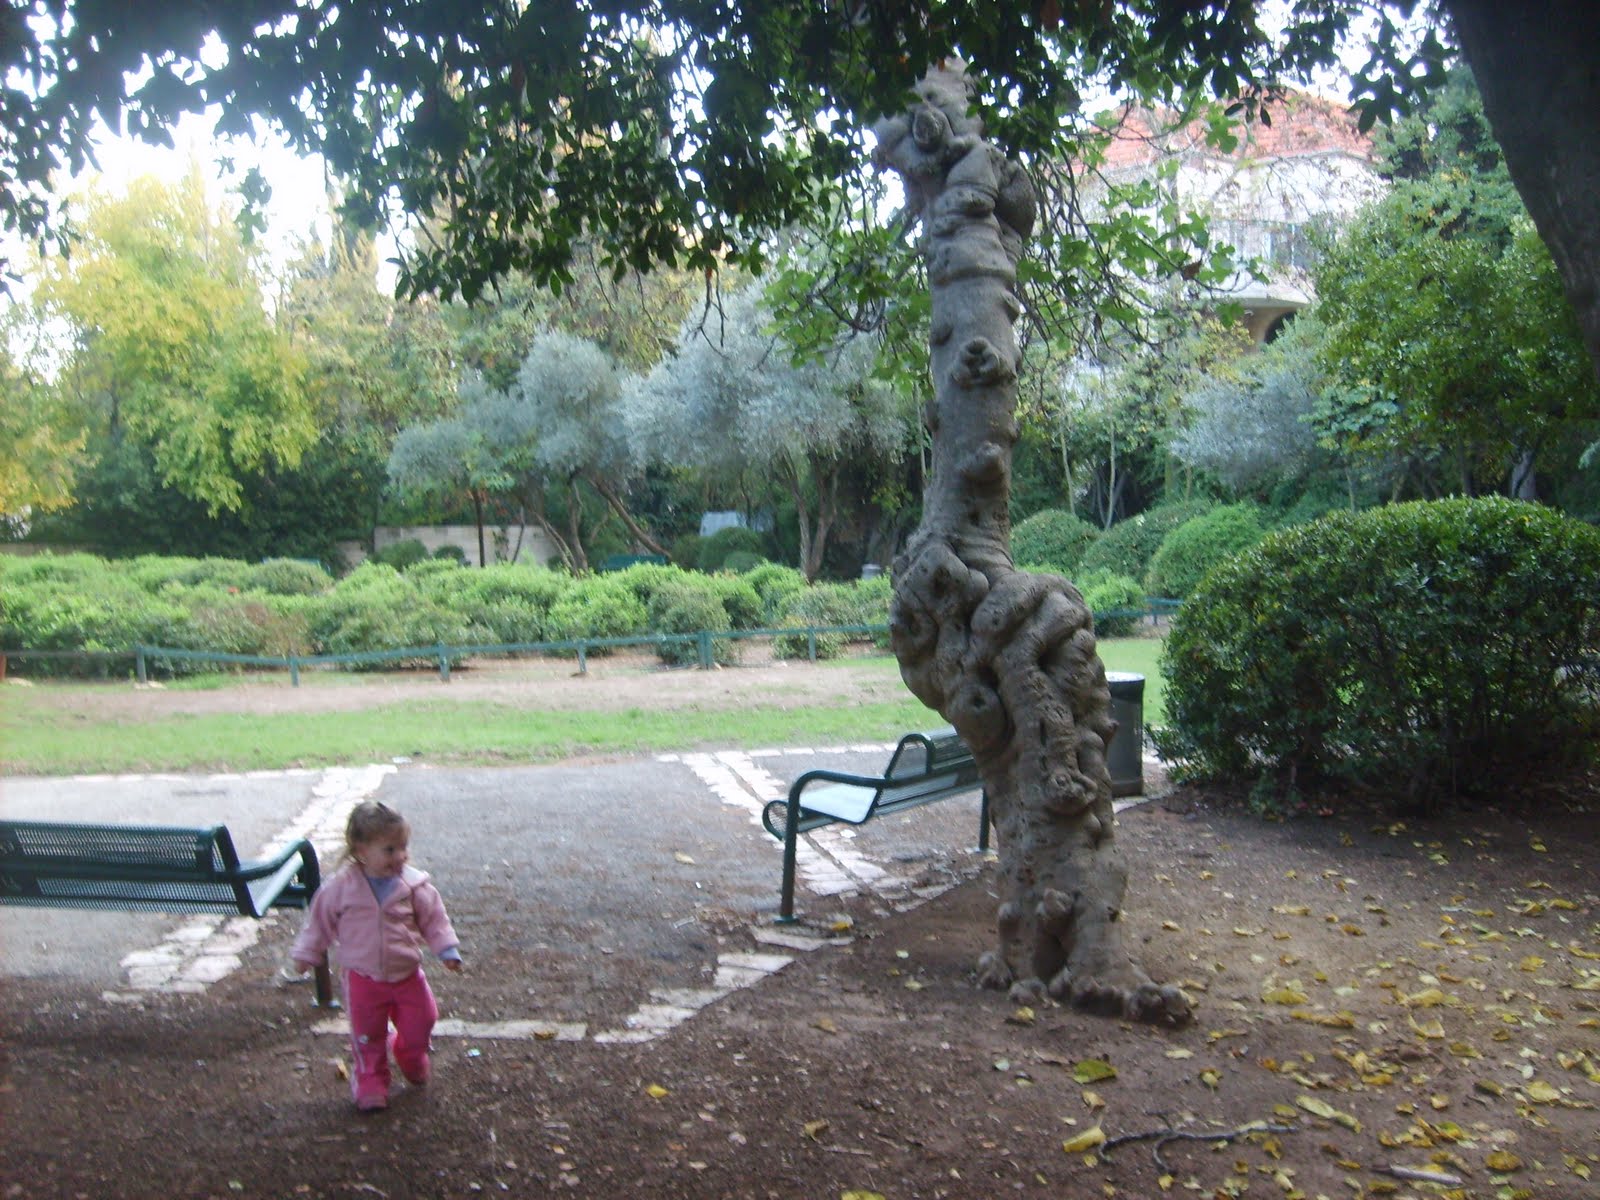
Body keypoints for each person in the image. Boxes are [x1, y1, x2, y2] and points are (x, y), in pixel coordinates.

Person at [291, 800, 463, 1112]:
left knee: (423, 1020)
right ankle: (370, 1079)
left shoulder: (413, 886)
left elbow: (434, 919)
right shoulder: (341, 888)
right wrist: (308, 953)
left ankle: (410, 1053)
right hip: (363, 978)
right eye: (389, 850)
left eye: (402, 848)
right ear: (361, 849)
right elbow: (319, 922)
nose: (400, 857)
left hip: (407, 975)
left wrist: (446, 950)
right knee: (367, 1035)